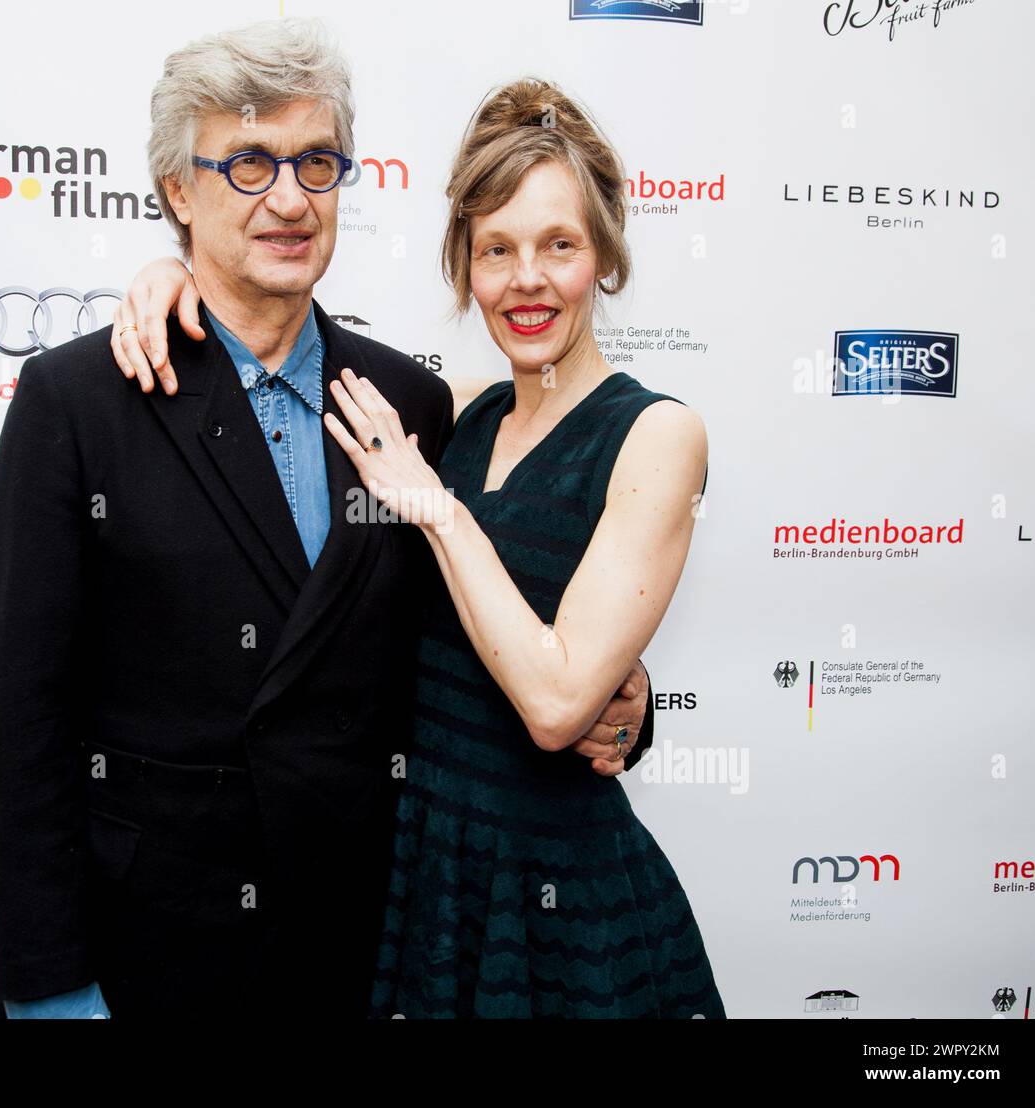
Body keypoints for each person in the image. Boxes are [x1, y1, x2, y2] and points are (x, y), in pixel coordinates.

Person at [0, 17, 652, 1020]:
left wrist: (615, 691)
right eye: (246, 164)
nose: (287, 198)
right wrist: (52, 987)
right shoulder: (81, 400)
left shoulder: (407, 403)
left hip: (366, 954)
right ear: (177, 192)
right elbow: (5, 710)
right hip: (150, 964)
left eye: (315, 163)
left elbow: (459, 643)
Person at [113, 73, 725, 1016]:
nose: (526, 279)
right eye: (496, 250)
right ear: (464, 269)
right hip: (434, 884)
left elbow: (560, 704)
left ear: (603, 253)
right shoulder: (457, 418)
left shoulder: (657, 433)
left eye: (558, 245)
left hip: (558, 899)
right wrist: (174, 275)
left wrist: (436, 508)